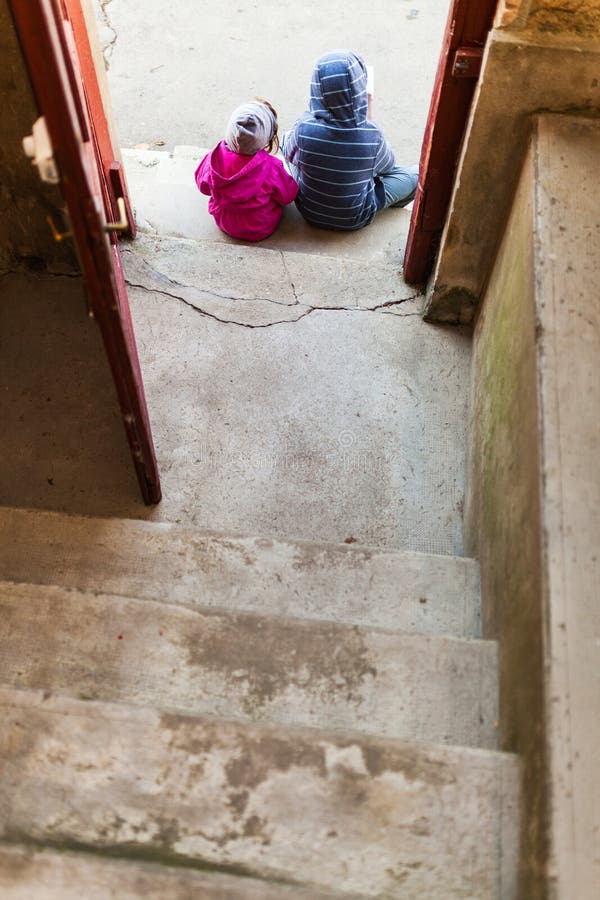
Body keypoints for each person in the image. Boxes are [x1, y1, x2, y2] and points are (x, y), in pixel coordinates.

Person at [282, 50, 418, 231]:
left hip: (309, 212)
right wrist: (366, 118)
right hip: (354, 218)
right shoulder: (371, 134)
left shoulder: (304, 129)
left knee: (287, 139)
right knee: (417, 175)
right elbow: (388, 166)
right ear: (360, 90)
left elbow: (288, 152)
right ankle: (387, 206)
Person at [195, 100, 298, 242]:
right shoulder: (271, 167)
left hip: (224, 221)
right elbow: (288, 195)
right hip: (260, 227)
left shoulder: (213, 159)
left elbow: (203, 187)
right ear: (266, 138)